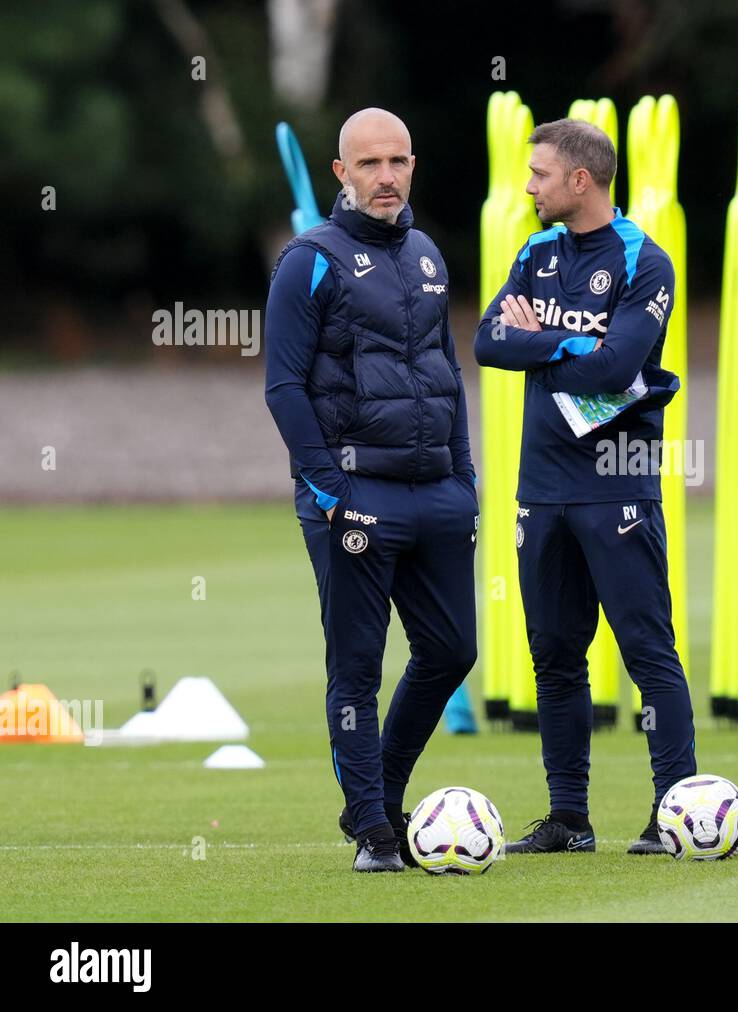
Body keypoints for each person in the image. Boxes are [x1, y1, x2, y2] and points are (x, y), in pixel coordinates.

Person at [264, 108, 479, 873]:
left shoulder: (425, 253)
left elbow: (446, 372)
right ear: (341, 174)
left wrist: (465, 479)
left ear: (412, 166)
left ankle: (384, 793)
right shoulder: (308, 260)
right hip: (353, 498)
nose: (385, 177)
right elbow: (284, 387)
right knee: (356, 664)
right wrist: (328, 488)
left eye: (397, 162)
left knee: (453, 651)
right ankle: (372, 831)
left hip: (436, 494)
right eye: (369, 165)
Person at [474, 118, 694, 855]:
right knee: (555, 656)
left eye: (539, 174)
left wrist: (542, 345)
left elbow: (618, 366)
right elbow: (486, 342)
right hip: (541, 487)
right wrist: (571, 343)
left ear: (581, 180)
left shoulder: (644, 259)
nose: (528, 186)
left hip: (617, 483)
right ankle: (569, 818)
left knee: (646, 651)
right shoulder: (535, 251)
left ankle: (676, 813)